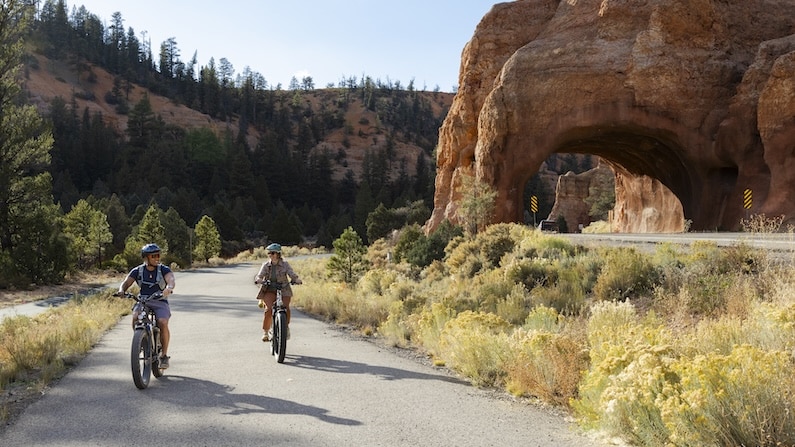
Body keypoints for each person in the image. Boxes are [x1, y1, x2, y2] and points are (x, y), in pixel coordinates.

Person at [118, 243, 176, 369]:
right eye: (153, 256)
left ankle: (164, 356)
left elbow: (170, 279)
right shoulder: (138, 270)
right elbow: (126, 282)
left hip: (160, 300)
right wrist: (121, 290)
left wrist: (169, 288)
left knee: (162, 322)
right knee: (135, 317)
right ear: (146, 258)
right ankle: (140, 341)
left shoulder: (163, 269)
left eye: (158, 255)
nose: (157, 258)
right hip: (143, 300)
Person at [254, 243, 302, 342]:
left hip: (284, 289)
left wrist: (296, 279)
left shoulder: (285, 264)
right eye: (269, 253)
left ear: (277, 254)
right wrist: (259, 280)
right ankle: (266, 332)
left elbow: (291, 274)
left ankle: (285, 327)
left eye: (272, 253)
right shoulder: (266, 265)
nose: (270, 255)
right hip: (269, 289)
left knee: (286, 308)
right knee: (268, 310)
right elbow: (259, 276)